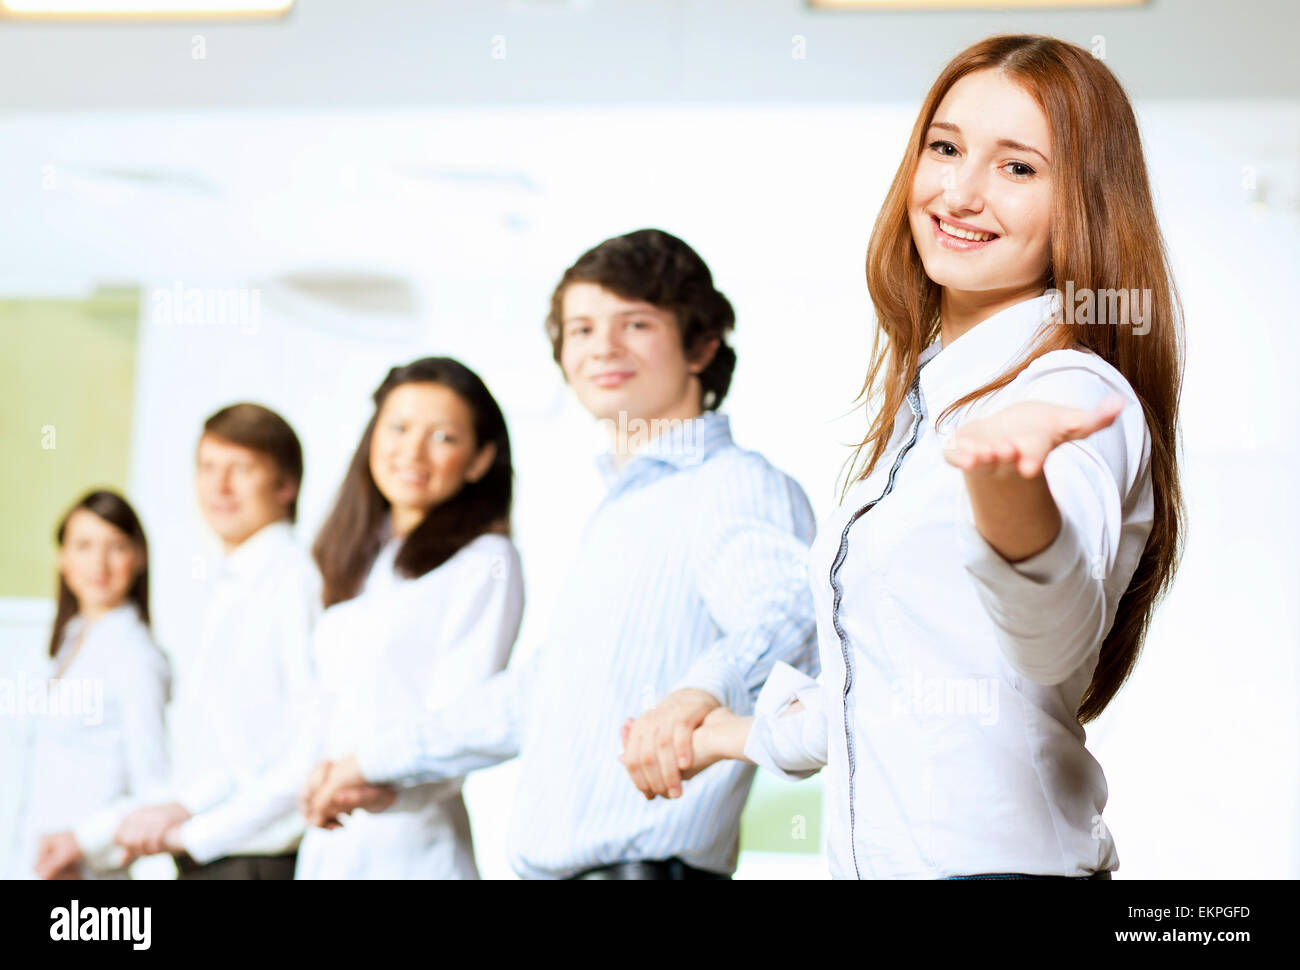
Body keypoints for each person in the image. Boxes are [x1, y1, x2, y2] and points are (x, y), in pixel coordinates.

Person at [638, 34, 1185, 880]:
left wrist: (1013, 501)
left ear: (1083, 204)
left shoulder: (1070, 393)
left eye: (1018, 168)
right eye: (946, 147)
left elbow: (1054, 638)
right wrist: (732, 736)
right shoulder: (922, 412)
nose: (959, 192)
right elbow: (896, 683)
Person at [301, 229, 818, 879]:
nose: (603, 346)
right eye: (581, 328)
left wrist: (701, 691)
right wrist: (372, 763)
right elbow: (534, 699)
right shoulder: (622, 512)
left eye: (635, 323)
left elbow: (792, 614)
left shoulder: (731, 483)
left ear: (702, 345)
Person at [294, 357, 523, 879]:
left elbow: (463, 723)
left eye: (443, 437)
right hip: (330, 844)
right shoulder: (355, 556)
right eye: (398, 428)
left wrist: (371, 782)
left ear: (480, 459)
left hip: (414, 850)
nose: (412, 452)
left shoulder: (485, 561)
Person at [113, 403, 322, 879]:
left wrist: (192, 828)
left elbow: (305, 747)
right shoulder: (230, 584)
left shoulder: (294, 580)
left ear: (285, 486)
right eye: (208, 467)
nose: (218, 486)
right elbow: (230, 747)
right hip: (211, 851)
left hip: (253, 859)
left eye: (241, 469)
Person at [10, 490, 170, 880]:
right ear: (61, 557)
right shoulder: (62, 644)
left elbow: (155, 787)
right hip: (28, 861)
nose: (98, 563)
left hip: (82, 872)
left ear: (139, 558)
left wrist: (82, 842)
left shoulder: (137, 657)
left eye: (116, 546)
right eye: (83, 546)